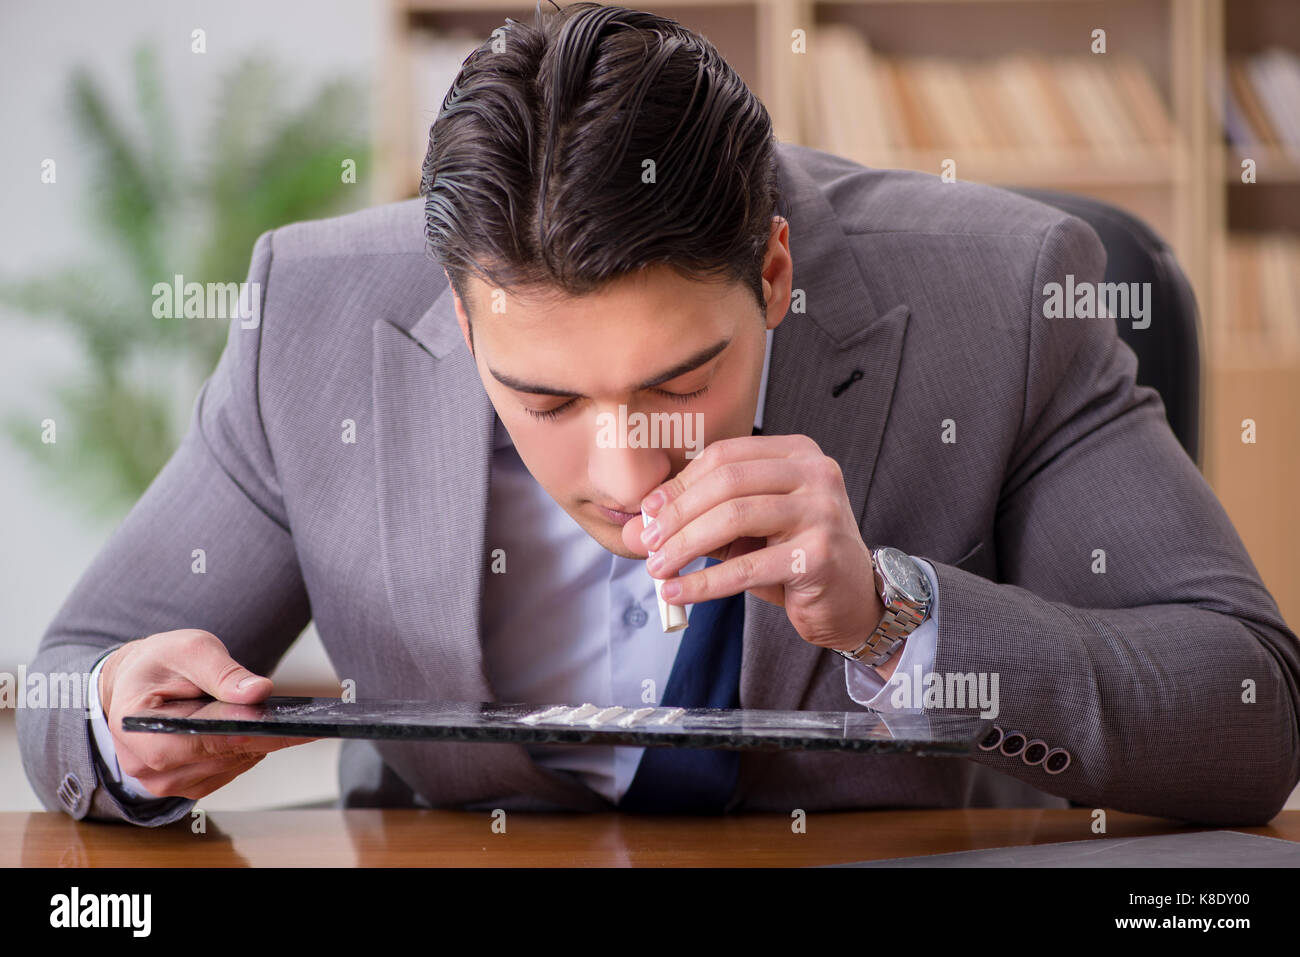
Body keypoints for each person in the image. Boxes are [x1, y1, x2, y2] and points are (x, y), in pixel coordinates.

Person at [19, 2, 1299, 827]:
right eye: (547, 398)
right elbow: (72, 678)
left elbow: (1250, 709)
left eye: (680, 380)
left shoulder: (1004, 294)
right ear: (462, 324)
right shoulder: (313, 318)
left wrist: (892, 613)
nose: (626, 464)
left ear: (776, 274)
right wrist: (129, 726)